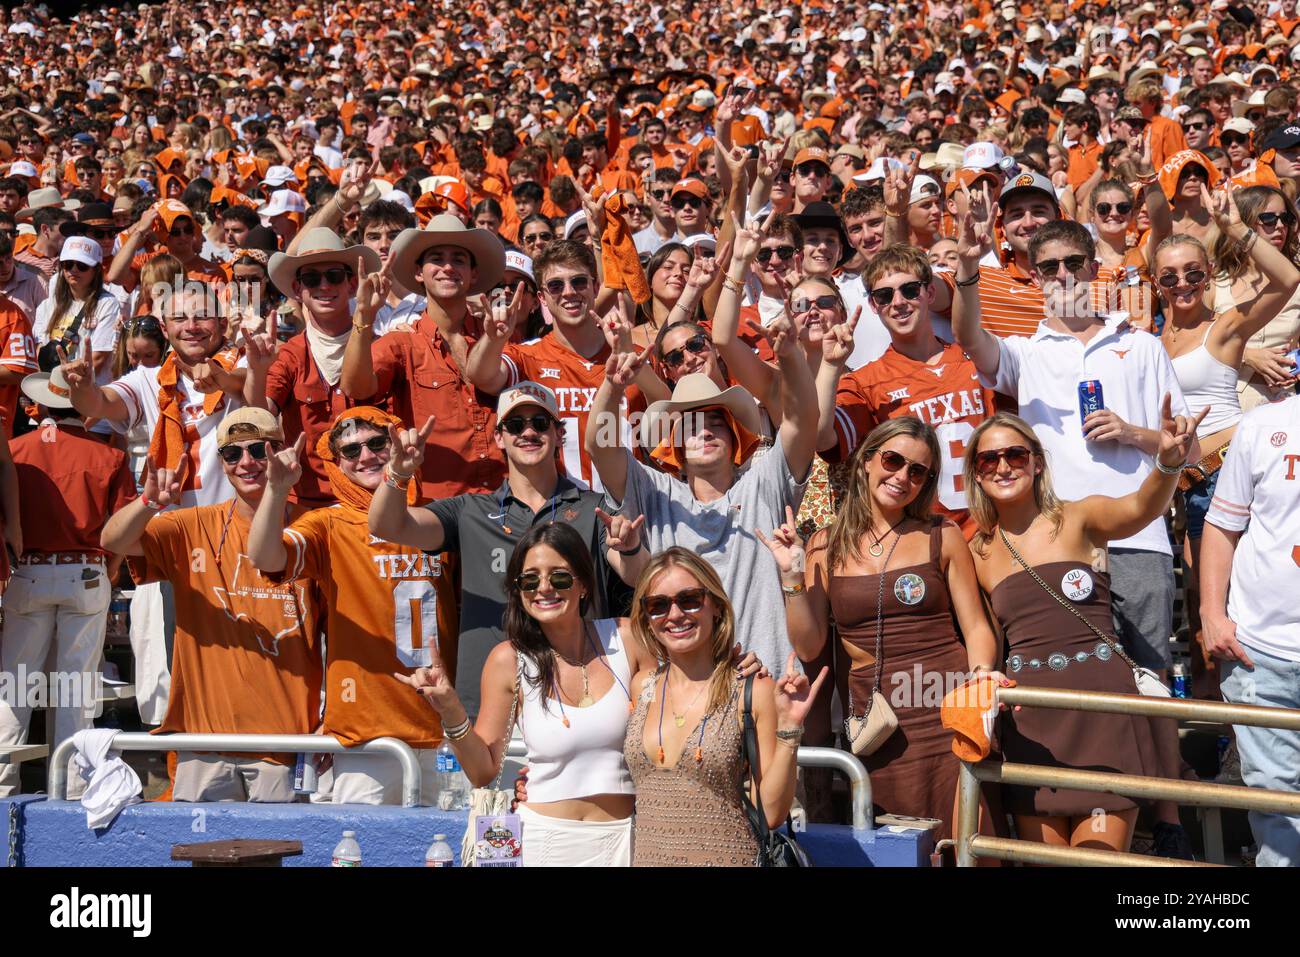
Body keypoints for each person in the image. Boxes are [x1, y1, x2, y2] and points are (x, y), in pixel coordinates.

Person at [963, 403, 1202, 853]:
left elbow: (1140, 507)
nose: (1003, 467)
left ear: (1036, 462)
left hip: (1102, 712)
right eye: (988, 459)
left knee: (1098, 859)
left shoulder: (1080, 517)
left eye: (1015, 455)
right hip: (1032, 719)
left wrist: (1167, 462)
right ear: (976, 474)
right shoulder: (976, 550)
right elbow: (985, 636)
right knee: (1044, 862)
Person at [768, 417, 1004, 840]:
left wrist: (982, 674)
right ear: (865, 462)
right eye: (892, 461)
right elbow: (809, 645)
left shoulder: (942, 533)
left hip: (946, 707)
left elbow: (975, 628)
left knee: (966, 841)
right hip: (878, 722)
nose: (902, 477)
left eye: (918, 471)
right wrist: (792, 574)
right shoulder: (824, 544)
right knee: (893, 846)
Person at [369, 381, 646, 718]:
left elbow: (635, 576)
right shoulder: (470, 510)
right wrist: (397, 474)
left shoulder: (593, 508)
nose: (528, 432)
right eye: (515, 425)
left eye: (540, 424)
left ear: (560, 434)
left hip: (579, 703)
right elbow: (387, 526)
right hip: (493, 707)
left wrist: (630, 548)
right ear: (499, 437)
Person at [99, 407, 323, 802]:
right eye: (233, 454)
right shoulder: (192, 524)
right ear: (221, 463)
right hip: (203, 742)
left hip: (285, 743)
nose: (247, 463)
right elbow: (113, 541)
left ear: (281, 451)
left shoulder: (314, 528)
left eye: (259, 450)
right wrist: (148, 504)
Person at [586, 297, 819, 671]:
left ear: (736, 437)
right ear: (675, 444)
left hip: (770, 684)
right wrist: (612, 389)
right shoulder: (656, 490)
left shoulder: (763, 482)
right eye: (691, 423)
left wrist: (791, 356)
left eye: (717, 421)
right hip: (688, 691)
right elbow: (601, 445)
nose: (704, 430)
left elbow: (804, 420)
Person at [400, 522, 651, 864]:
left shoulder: (628, 639)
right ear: (518, 592)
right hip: (544, 843)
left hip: (627, 840)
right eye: (529, 580)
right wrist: (450, 709)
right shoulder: (509, 659)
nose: (544, 588)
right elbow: (482, 771)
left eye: (559, 577)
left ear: (583, 584)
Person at [247, 407, 460, 805]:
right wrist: (276, 491)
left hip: (445, 728)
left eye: (377, 443)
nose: (366, 457)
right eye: (350, 451)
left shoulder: (437, 516)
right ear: (336, 464)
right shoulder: (328, 524)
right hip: (368, 732)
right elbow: (265, 557)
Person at [624, 547, 825, 866]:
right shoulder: (642, 686)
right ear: (647, 619)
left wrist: (789, 727)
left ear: (715, 606)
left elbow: (771, 813)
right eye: (658, 605)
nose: (675, 615)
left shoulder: (751, 688)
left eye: (689, 599)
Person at [0, 367, 134, 799]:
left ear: (39, 406)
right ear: (84, 412)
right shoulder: (109, 456)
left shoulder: (15, 451)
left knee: (14, 685)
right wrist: (110, 570)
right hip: (86, 572)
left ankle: (2, 787)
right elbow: (125, 528)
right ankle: (71, 792)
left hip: (29, 571)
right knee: (74, 689)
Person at [817, 244, 995, 534]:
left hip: (992, 533)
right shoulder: (866, 381)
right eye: (885, 295)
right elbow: (823, 439)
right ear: (874, 306)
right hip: (922, 543)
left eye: (910, 290)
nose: (898, 302)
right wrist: (830, 365)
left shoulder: (979, 357)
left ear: (931, 293)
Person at [341, 213, 508, 500]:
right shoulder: (402, 343)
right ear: (419, 273)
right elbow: (355, 387)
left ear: (473, 274)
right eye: (437, 258)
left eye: (458, 259)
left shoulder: (495, 335)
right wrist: (363, 315)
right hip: (437, 506)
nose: (447, 267)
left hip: (505, 497)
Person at [1200, 391, 1300, 867]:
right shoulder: (1263, 424)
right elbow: (1221, 525)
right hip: (1263, 654)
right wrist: (1210, 614)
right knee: (1280, 823)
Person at [247, 228, 382, 506]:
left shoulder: (382, 347)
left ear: (352, 283)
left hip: (374, 502)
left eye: (334, 276)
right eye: (311, 278)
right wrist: (257, 371)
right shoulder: (289, 355)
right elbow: (260, 417)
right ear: (298, 289)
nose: (324, 286)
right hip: (309, 504)